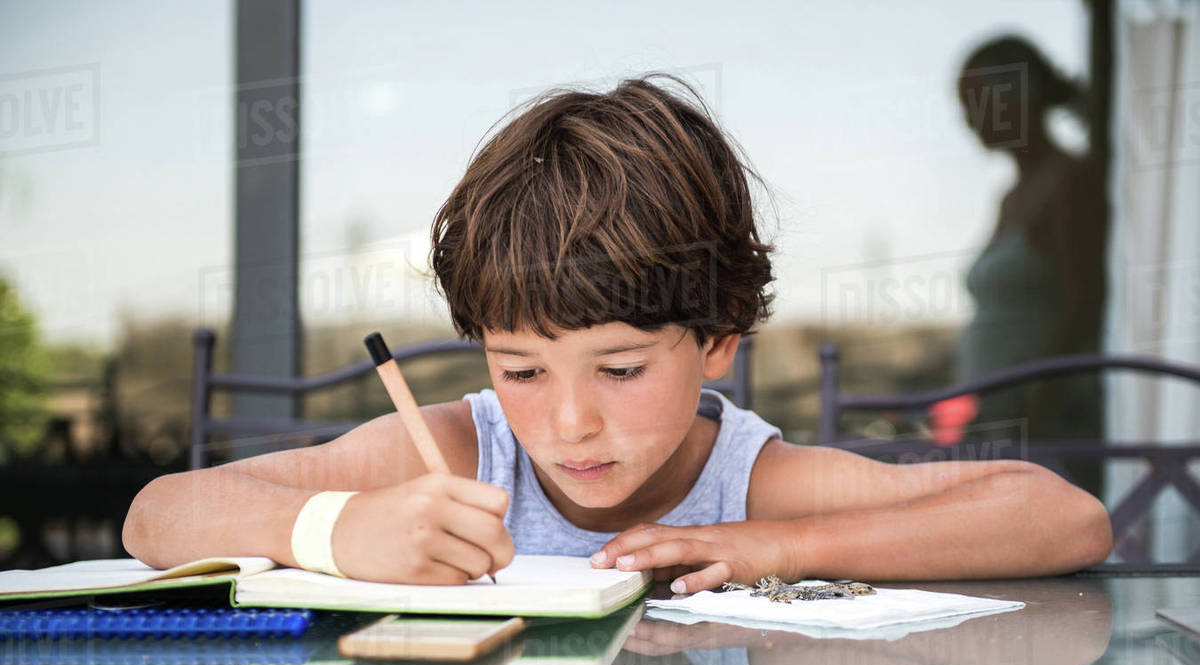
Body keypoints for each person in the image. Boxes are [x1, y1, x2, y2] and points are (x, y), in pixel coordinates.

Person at [122, 74, 1111, 592]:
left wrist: (781, 545)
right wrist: (340, 529)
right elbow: (158, 512)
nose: (570, 424)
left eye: (623, 367)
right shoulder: (460, 453)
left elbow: (1062, 517)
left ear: (718, 338)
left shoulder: (748, 486)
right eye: (521, 370)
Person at [949, 36, 1107, 496]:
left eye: (976, 102)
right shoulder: (1010, 197)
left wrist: (1039, 406)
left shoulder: (1071, 182)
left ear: (1020, 97)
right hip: (999, 417)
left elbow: (1086, 301)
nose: (969, 120)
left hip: (1045, 425)